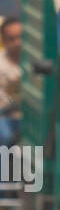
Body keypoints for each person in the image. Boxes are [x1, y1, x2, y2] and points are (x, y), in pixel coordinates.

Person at [0, 14, 22, 147]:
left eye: (20, 37)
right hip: (5, 118)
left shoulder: (34, 62)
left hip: (31, 120)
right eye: (11, 39)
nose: (17, 43)